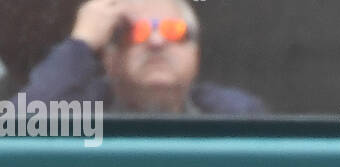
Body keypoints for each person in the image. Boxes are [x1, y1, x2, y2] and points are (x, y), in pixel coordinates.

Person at [22, 0, 265, 114]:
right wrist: (81, 43)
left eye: (174, 31)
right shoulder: (84, 115)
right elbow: (17, 127)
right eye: (137, 32)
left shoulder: (234, 114)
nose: (156, 41)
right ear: (109, 58)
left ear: (195, 54)